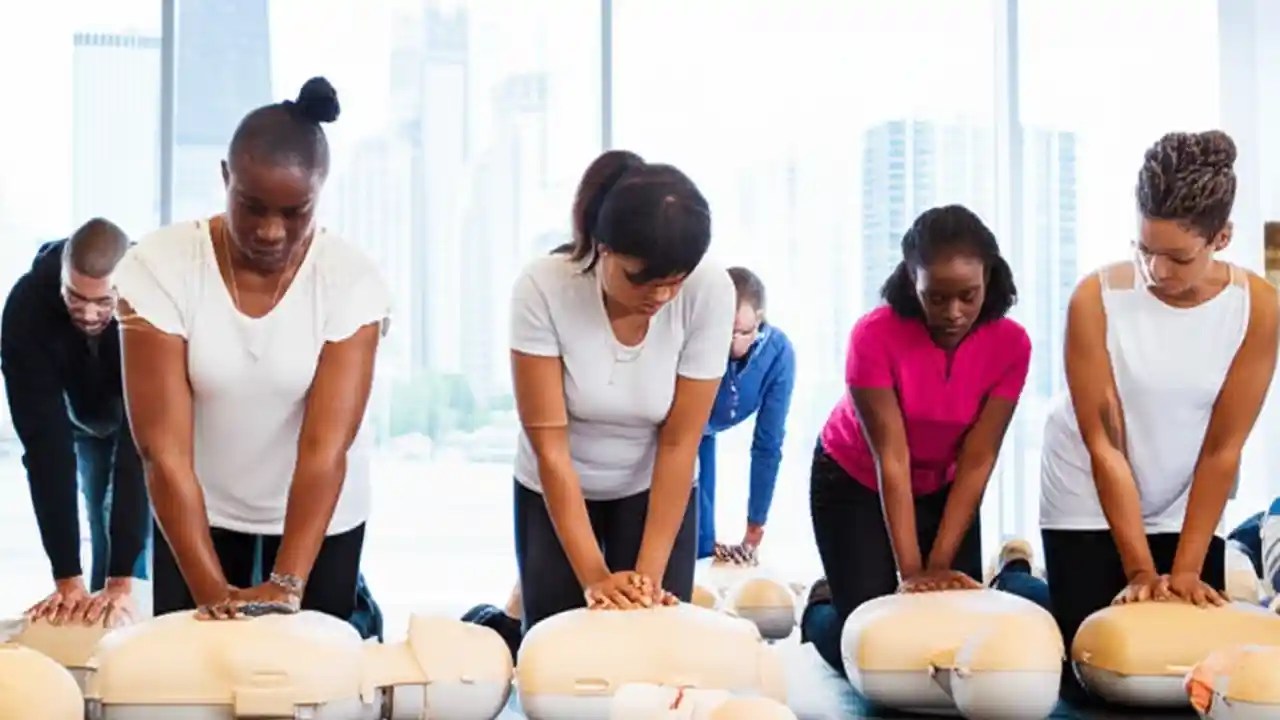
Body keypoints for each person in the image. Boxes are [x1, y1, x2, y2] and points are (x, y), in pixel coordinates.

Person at [112, 77, 392, 623]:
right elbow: (162, 453)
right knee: (196, 675)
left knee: (307, 681)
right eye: (252, 206)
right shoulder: (160, 266)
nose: (270, 232)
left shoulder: (351, 280)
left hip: (321, 517)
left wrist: (287, 585)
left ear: (319, 195)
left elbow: (324, 450)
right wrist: (210, 593)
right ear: (224, 178)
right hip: (199, 509)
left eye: (295, 212)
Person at [1039, 129, 1278, 703]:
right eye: (1144, 248)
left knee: (1187, 677)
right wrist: (1144, 572)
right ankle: (1022, 582)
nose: (1155, 270)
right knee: (1091, 672)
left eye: (1178, 256)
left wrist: (1186, 569)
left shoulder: (1259, 308)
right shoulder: (1094, 298)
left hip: (1186, 496)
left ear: (1221, 238)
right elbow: (1104, 445)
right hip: (1087, 493)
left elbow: (1224, 448)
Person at [509, 149, 735, 631]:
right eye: (642, 279)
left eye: (674, 283)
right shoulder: (544, 286)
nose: (659, 296)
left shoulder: (710, 291)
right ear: (602, 248)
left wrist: (645, 582)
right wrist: (594, 577)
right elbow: (550, 448)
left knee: (653, 636)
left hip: (654, 484)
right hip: (556, 485)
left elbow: (680, 441)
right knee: (557, 649)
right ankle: (496, 622)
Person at [799, 204, 1030, 672]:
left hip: (946, 481)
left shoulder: (1012, 344)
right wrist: (912, 577)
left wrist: (939, 567)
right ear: (910, 280)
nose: (953, 313)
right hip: (855, 479)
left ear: (990, 277)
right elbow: (892, 457)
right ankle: (820, 610)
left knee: (952, 638)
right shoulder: (873, 335)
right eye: (936, 297)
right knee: (875, 647)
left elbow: (979, 457)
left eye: (968, 295)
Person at [1, 218, 151, 627]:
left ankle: (126, 610)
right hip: (80, 421)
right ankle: (97, 616)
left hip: (141, 420)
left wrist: (122, 582)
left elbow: (140, 452)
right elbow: (46, 448)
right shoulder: (26, 308)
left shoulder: (153, 301)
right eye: (75, 298)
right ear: (62, 279)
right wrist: (66, 577)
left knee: (128, 523)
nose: (88, 314)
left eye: (104, 303)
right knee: (96, 510)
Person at [697, 266, 796, 562]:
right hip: (679, 429)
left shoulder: (779, 354)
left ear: (760, 320)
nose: (733, 342)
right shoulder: (696, 339)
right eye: (725, 332)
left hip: (706, 430)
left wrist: (755, 526)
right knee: (696, 539)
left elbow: (768, 444)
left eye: (744, 332)